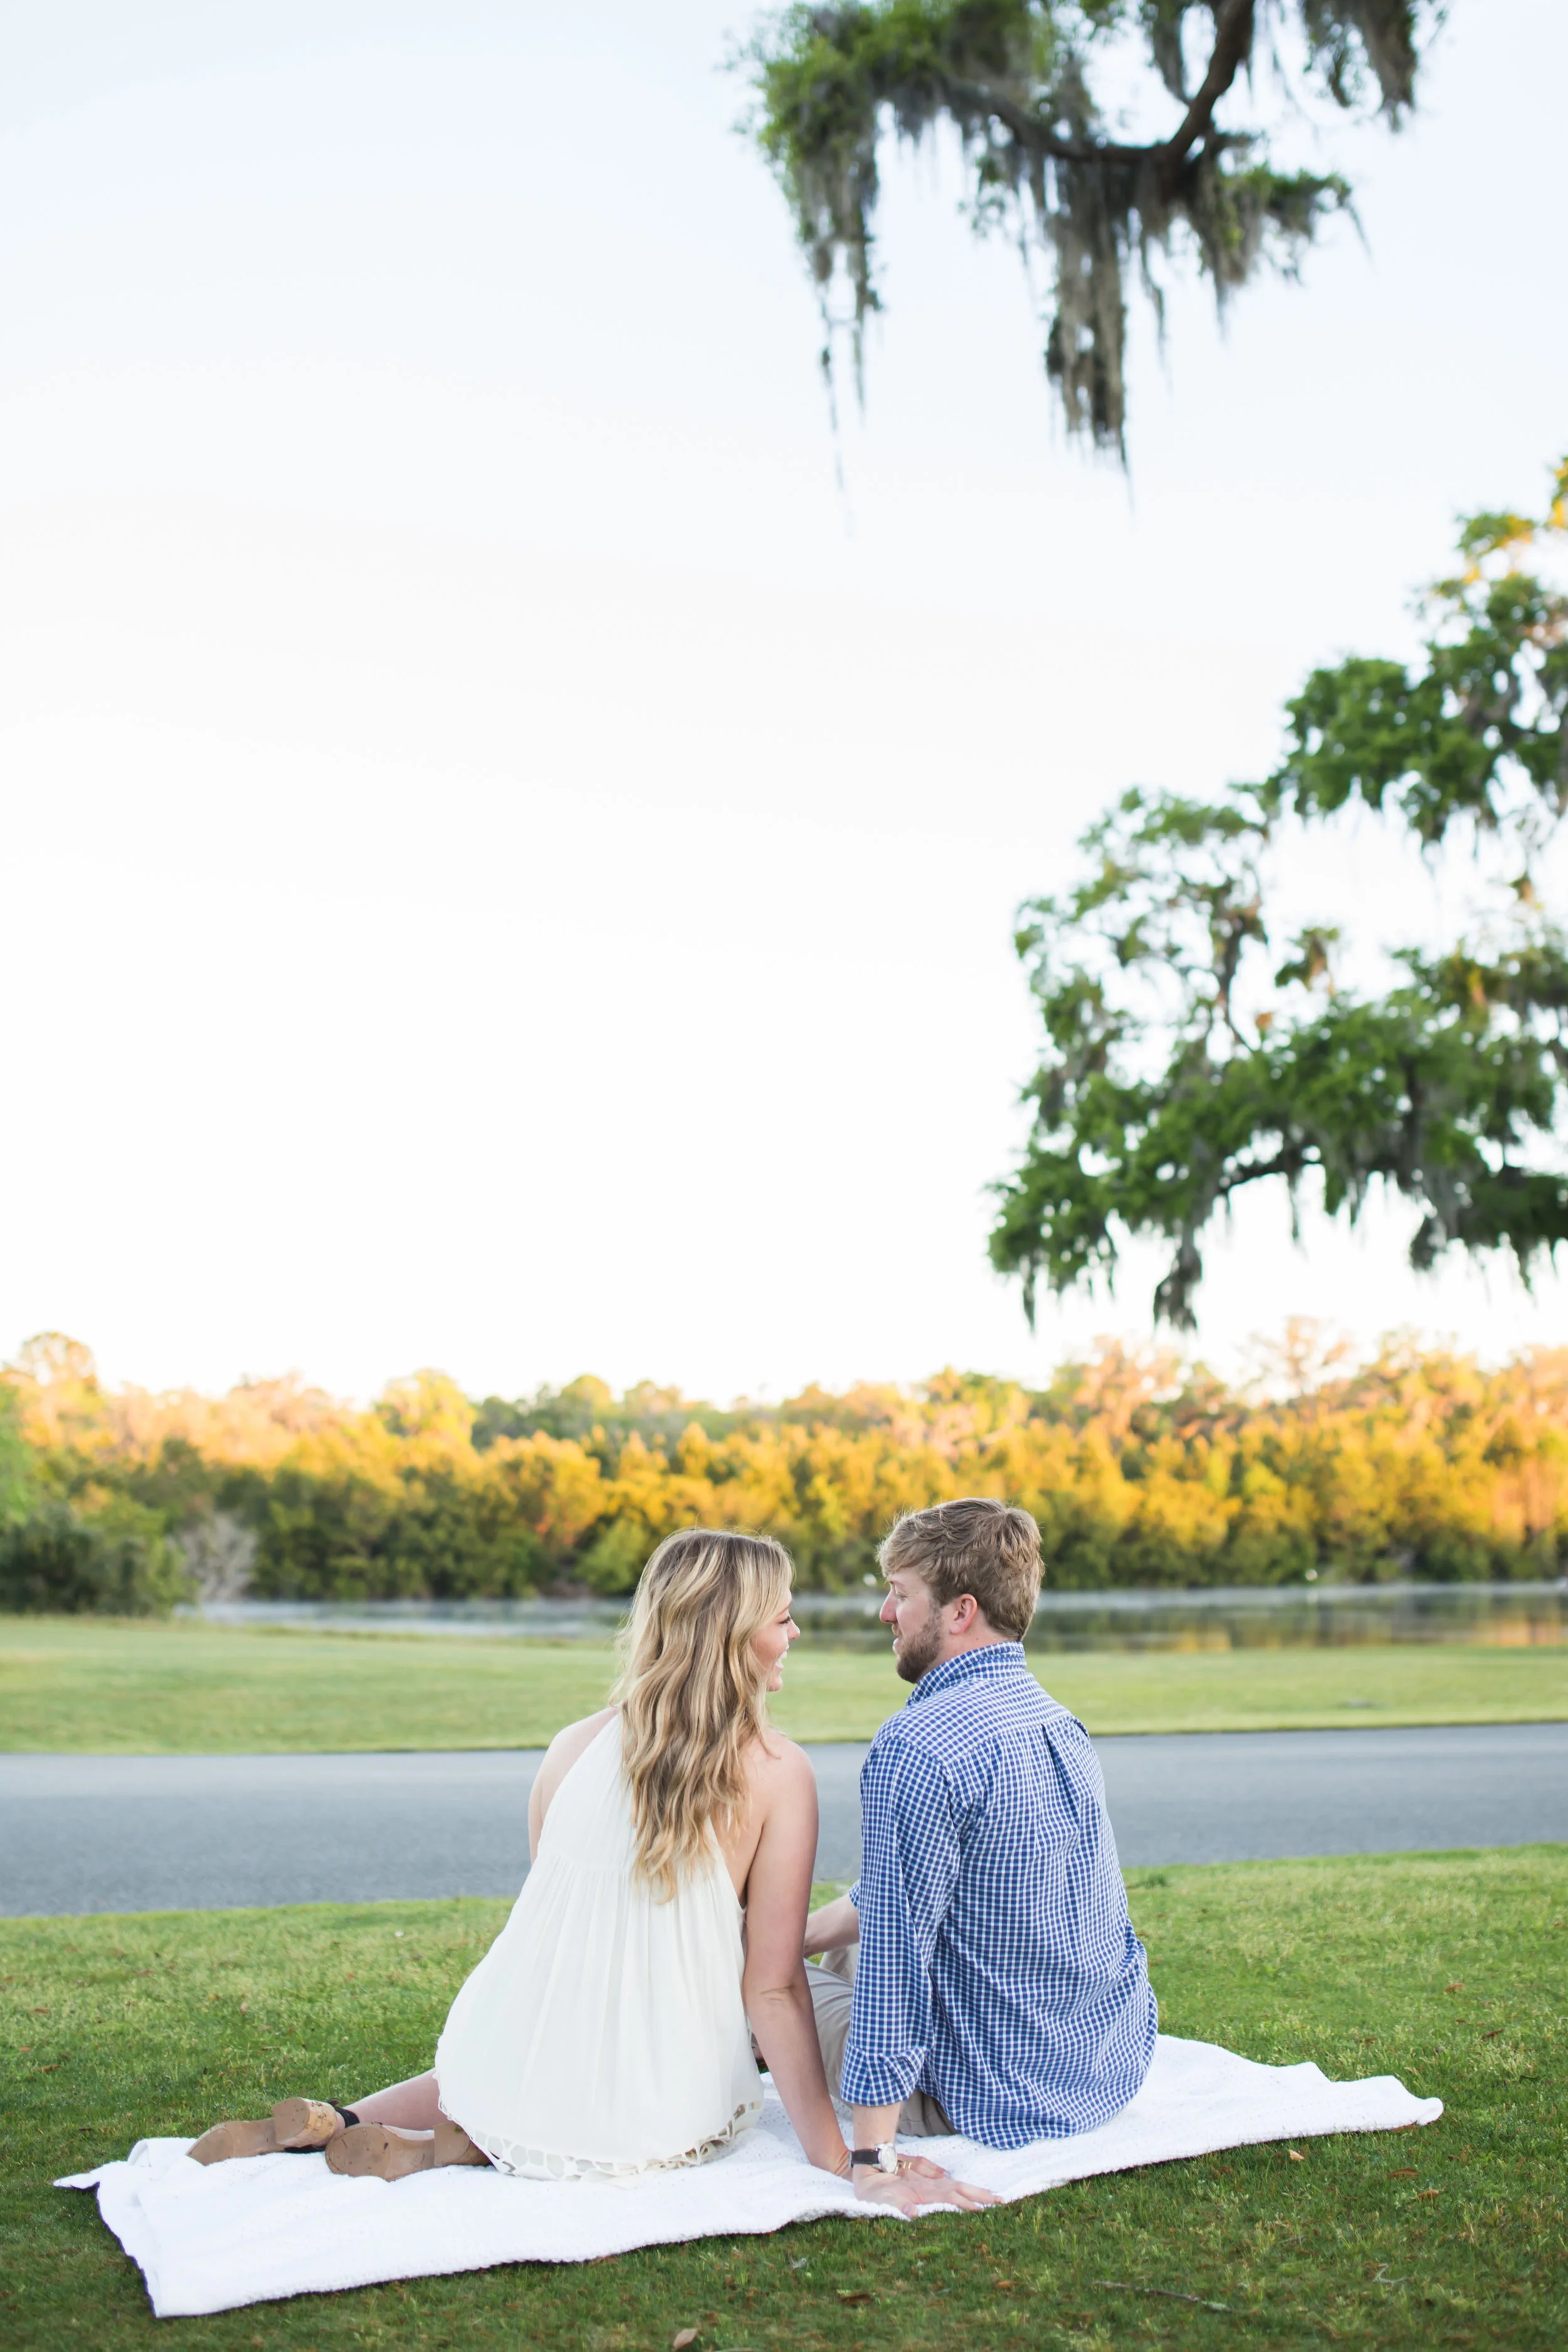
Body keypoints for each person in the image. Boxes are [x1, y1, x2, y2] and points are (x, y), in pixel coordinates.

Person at [188, 1527, 993, 2216]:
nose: (793, 1637)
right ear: (735, 1633)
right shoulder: (778, 1772)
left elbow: (564, 1928)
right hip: (650, 2101)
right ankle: (446, 2150)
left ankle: (343, 2117)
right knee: (649, 2073)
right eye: (782, 1619)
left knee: (512, 2064)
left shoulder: (570, 1745)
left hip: (505, 2035)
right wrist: (841, 2159)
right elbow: (774, 1989)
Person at [802, 1497, 1156, 2166]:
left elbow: (896, 1964)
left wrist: (874, 2157)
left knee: (749, 1972)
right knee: (831, 1942)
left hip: (981, 2095)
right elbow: (899, 1894)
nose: (884, 1613)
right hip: (1101, 2067)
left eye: (900, 1595)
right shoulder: (1058, 1722)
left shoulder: (917, 1743)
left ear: (960, 1612)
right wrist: (804, 1931)